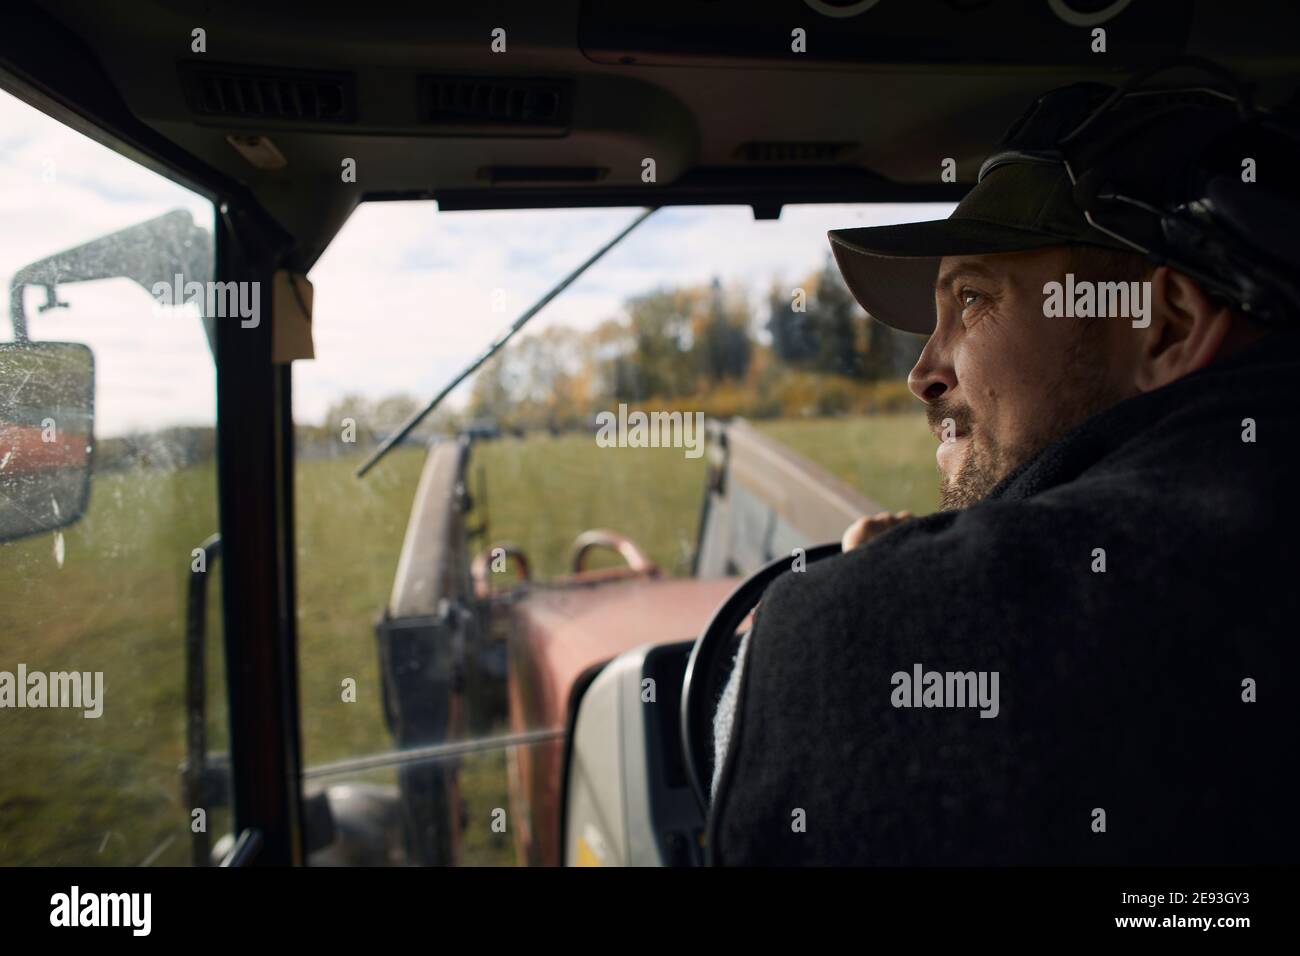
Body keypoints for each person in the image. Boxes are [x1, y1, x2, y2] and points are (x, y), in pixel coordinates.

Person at [707, 72, 1300, 864]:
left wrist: (885, 600)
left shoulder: (871, 639)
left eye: (975, 301)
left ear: (1163, 326)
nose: (921, 372)